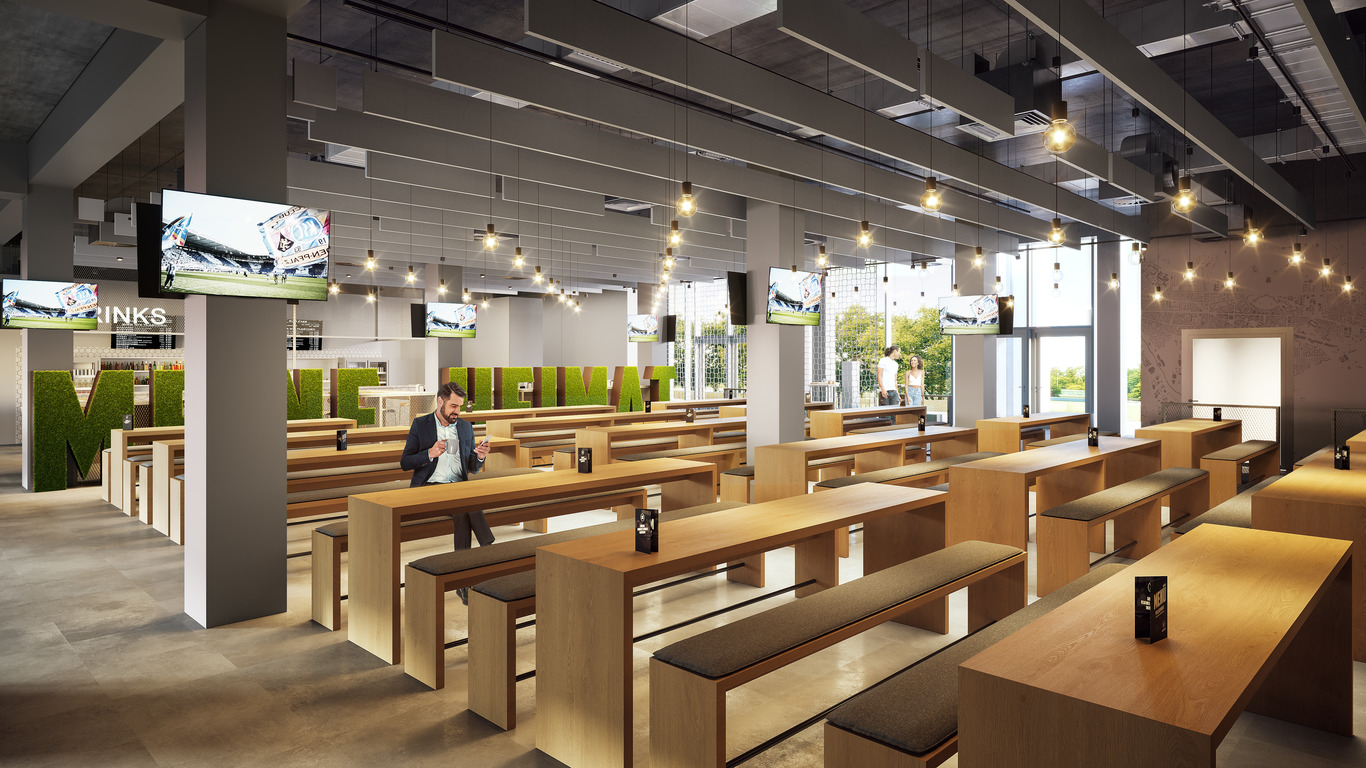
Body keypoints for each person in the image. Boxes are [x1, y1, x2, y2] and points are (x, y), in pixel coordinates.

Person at [402, 381, 494, 602]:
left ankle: (462, 582)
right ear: (440, 401)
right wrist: (430, 453)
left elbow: (471, 467)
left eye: (460, 407)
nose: (457, 412)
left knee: (463, 510)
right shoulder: (420, 425)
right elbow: (405, 462)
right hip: (430, 488)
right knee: (466, 505)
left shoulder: (464, 427)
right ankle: (489, 550)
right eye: (453, 406)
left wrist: (480, 456)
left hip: (458, 487)